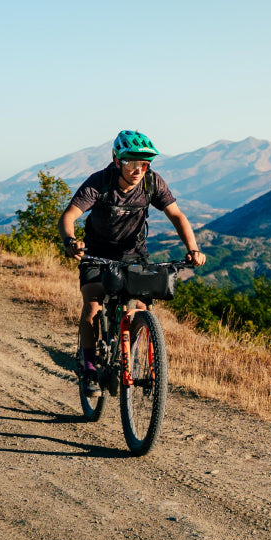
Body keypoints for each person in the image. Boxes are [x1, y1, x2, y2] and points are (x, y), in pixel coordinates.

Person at [60, 130, 206, 396]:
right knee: (93, 305)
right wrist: (71, 242)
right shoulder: (99, 183)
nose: (138, 169)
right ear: (117, 161)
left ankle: (127, 353)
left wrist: (193, 248)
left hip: (133, 255)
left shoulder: (151, 182)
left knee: (140, 309)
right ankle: (89, 368)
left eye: (144, 163)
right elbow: (69, 216)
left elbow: (177, 215)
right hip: (96, 254)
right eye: (131, 163)